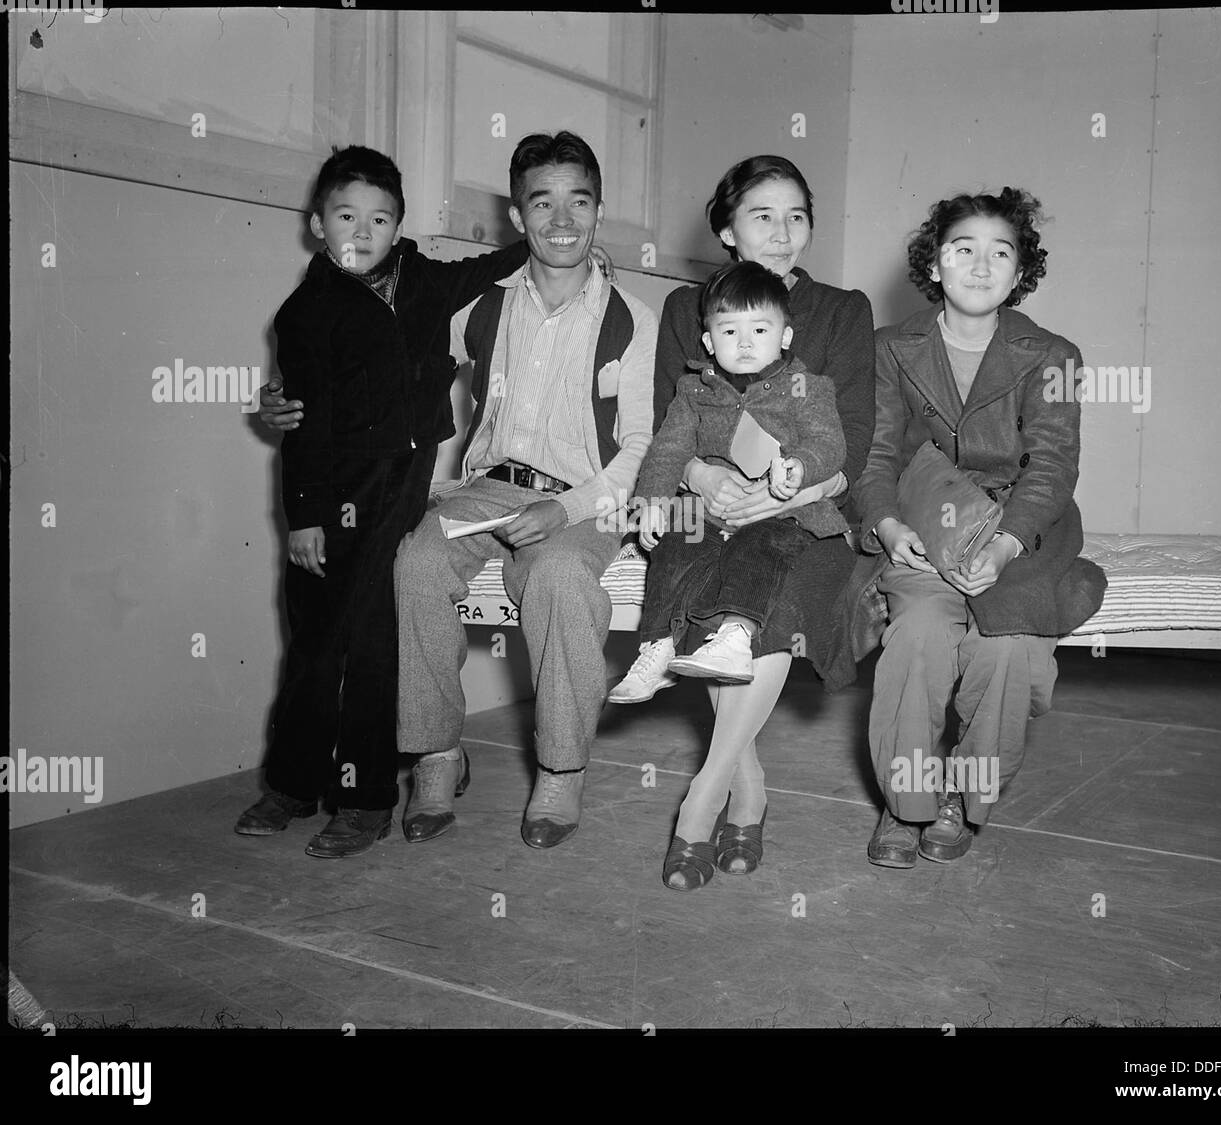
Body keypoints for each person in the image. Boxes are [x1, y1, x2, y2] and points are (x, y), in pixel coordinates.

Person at [235, 145, 529, 857]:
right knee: (313, 645)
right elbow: (300, 425)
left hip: (400, 486)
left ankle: (363, 798)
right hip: (331, 495)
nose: (362, 232)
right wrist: (303, 515)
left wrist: (539, 240)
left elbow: (481, 271)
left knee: (372, 642)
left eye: (379, 219)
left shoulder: (422, 276)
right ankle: (292, 782)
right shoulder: (305, 313)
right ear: (316, 224)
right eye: (345, 216)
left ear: (399, 227)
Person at [391, 131, 657, 850]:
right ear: (518, 216)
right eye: (543, 202)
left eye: (579, 201)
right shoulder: (478, 307)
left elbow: (638, 447)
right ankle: (438, 756)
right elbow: (398, 370)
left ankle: (561, 770)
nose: (562, 219)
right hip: (487, 490)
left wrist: (563, 510)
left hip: (586, 500)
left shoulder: (634, 319)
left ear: (599, 211)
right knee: (414, 563)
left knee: (563, 577)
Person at [639, 156, 877, 890]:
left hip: (807, 511)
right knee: (707, 602)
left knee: (767, 601)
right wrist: (706, 480)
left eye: (797, 216)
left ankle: (704, 796)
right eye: (762, 216)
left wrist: (769, 498)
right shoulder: (687, 309)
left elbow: (855, 445)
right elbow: (672, 425)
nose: (783, 232)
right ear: (725, 228)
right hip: (708, 508)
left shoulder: (842, 309)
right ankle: (750, 789)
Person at [853, 187, 1106, 869]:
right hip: (922, 523)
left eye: (1001, 251)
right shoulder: (889, 347)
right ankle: (906, 804)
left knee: (1008, 654)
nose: (981, 263)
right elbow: (874, 454)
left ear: (1020, 270)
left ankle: (964, 801)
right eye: (963, 248)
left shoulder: (1052, 354)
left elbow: (1051, 469)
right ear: (934, 264)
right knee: (919, 637)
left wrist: (1001, 546)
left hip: (1020, 533)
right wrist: (885, 524)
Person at [612, 259, 848, 706]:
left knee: (759, 545)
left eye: (760, 331)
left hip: (784, 512)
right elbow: (668, 450)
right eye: (729, 331)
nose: (744, 343)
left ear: (785, 337)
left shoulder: (807, 387)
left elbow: (829, 444)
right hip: (710, 509)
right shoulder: (694, 391)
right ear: (708, 340)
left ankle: (736, 638)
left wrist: (799, 467)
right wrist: (653, 503)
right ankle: (657, 648)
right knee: (675, 541)